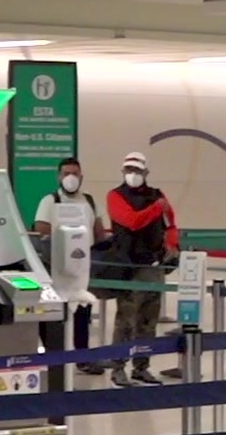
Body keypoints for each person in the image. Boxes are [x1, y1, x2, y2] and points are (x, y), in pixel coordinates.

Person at [105, 151, 179, 387]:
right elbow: (131, 221)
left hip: (154, 266)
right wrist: (156, 208)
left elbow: (171, 223)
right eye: (129, 170)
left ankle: (141, 367)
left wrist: (172, 244)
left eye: (137, 170)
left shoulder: (157, 195)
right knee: (125, 321)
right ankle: (118, 368)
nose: (133, 174)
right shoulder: (115, 196)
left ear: (146, 172)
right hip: (129, 267)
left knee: (148, 322)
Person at [34, 158, 109, 374]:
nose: (71, 178)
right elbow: (41, 229)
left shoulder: (89, 201)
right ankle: (53, 358)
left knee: (82, 314)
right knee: (53, 315)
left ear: (81, 177)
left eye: (75, 173)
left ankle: (82, 358)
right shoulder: (50, 201)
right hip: (55, 268)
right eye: (66, 173)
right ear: (59, 176)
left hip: (82, 268)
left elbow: (99, 231)